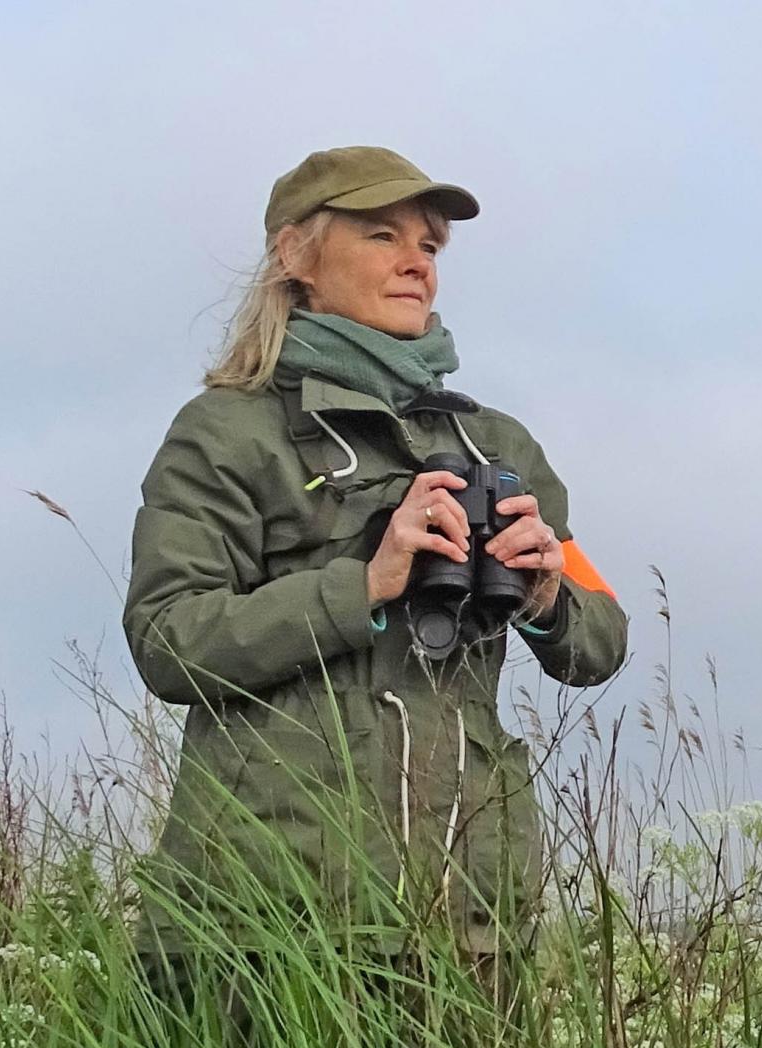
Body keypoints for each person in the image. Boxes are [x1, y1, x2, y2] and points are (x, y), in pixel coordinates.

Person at [121, 144, 628, 988]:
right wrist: (365, 584)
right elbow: (168, 640)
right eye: (382, 236)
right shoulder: (229, 431)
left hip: (463, 913)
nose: (413, 264)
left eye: (428, 246)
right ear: (296, 255)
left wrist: (545, 592)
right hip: (260, 915)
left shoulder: (491, 445)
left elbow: (601, 640)